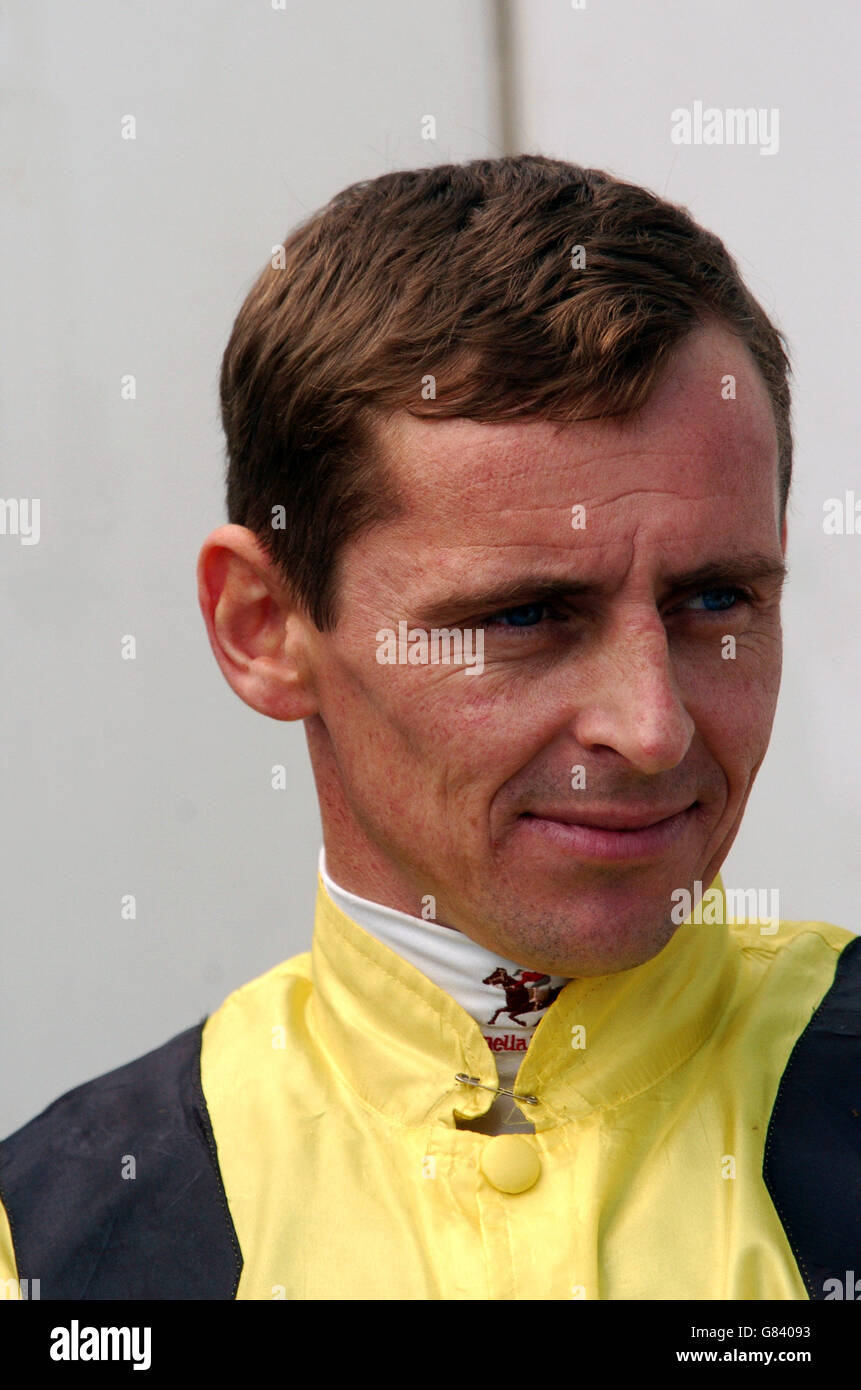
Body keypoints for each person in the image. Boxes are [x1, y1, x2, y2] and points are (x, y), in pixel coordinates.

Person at [2, 154, 858, 1302]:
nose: (651, 727)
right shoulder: (52, 1246)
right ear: (263, 627)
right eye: (523, 616)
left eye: (716, 600)